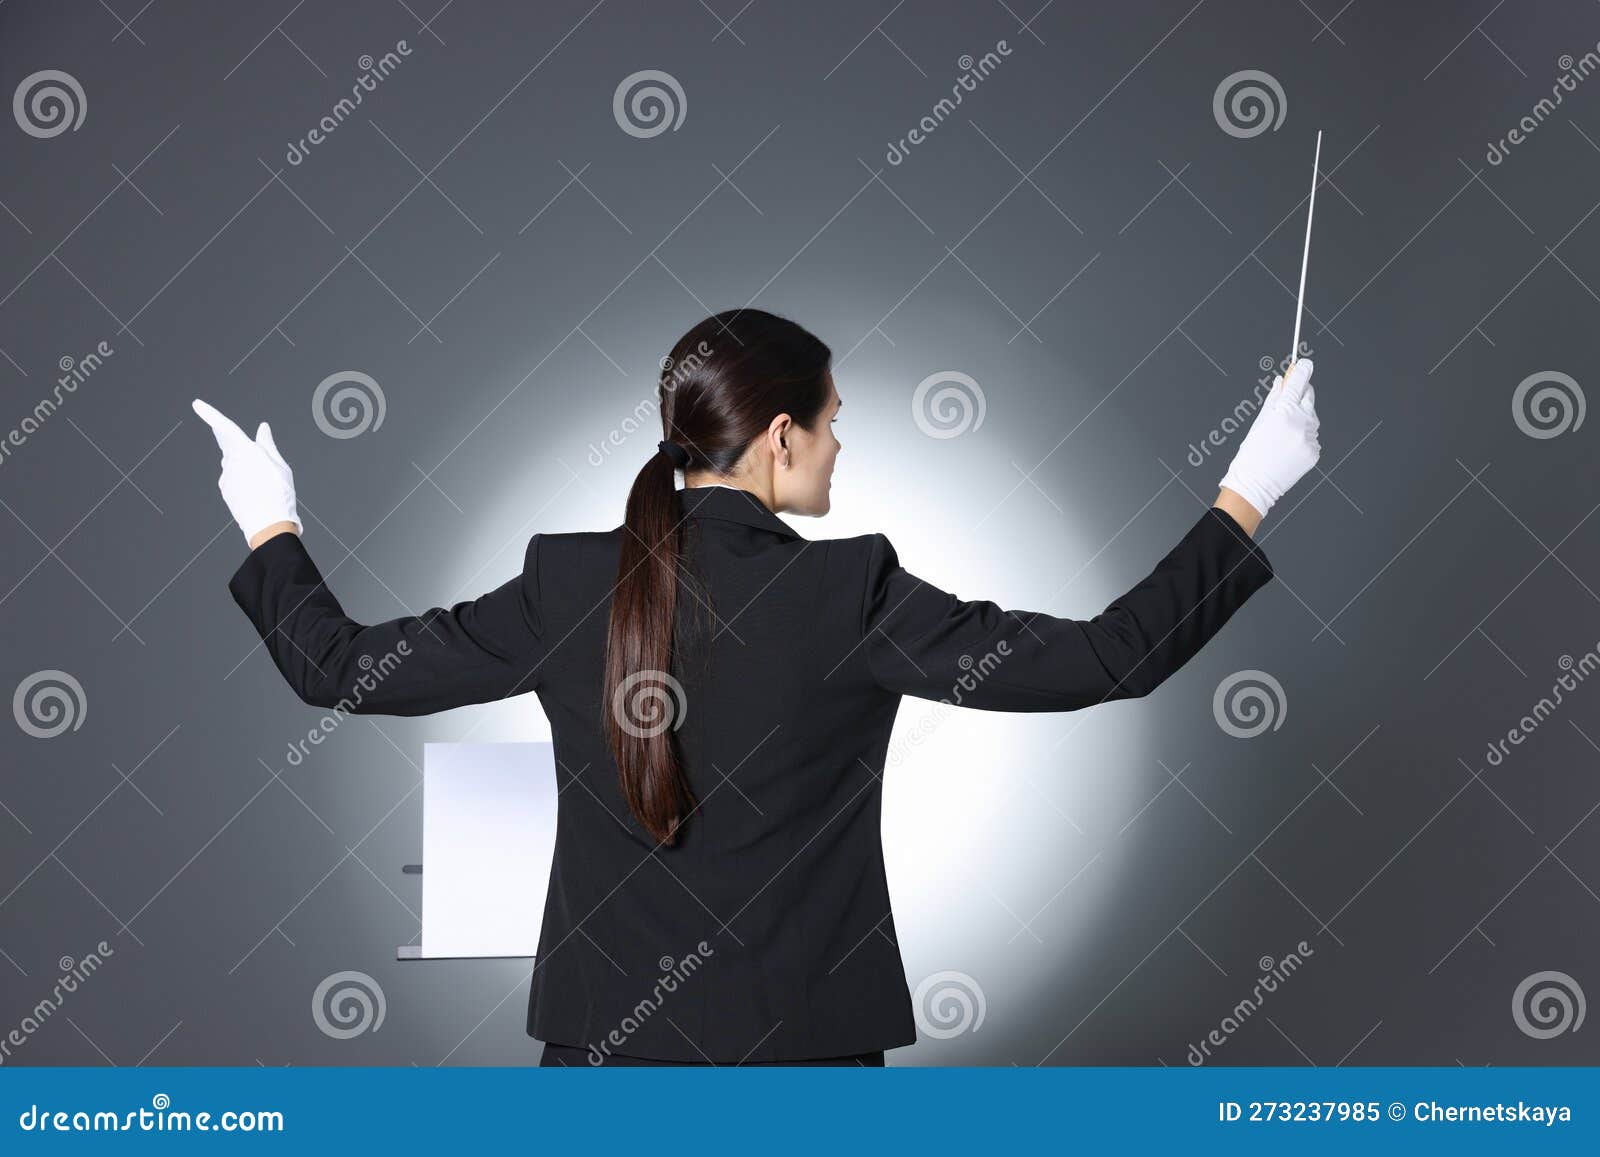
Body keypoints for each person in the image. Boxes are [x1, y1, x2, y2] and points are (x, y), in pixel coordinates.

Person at [194, 308, 1321, 1066]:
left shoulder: (563, 583)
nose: (840, 450)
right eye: (833, 426)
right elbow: (1102, 658)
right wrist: (1245, 492)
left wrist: (268, 515)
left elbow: (335, 667)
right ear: (779, 436)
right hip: (808, 1068)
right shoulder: (850, 589)